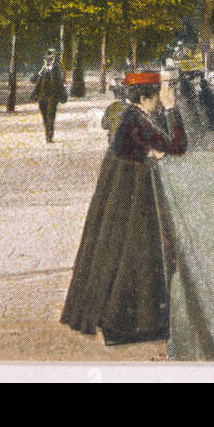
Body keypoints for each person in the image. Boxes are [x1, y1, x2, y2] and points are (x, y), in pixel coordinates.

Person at [61, 69, 187, 345]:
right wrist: (172, 109)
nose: (159, 101)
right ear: (145, 98)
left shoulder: (131, 114)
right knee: (134, 251)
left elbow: (158, 145)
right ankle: (131, 323)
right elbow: (177, 146)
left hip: (122, 184)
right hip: (130, 189)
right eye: (156, 98)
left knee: (122, 251)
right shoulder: (137, 119)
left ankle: (129, 321)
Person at [30, 48, 67, 143]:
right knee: (45, 117)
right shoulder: (41, 69)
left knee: (50, 117)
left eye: (51, 57)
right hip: (42, 97)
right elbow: (33, 80)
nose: (49, 60)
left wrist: (63, 95)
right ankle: (48, 134)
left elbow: (60, 83)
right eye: (47, 57)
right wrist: (40, 72)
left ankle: (49, 136)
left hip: (53, 97)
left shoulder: (57, 68)